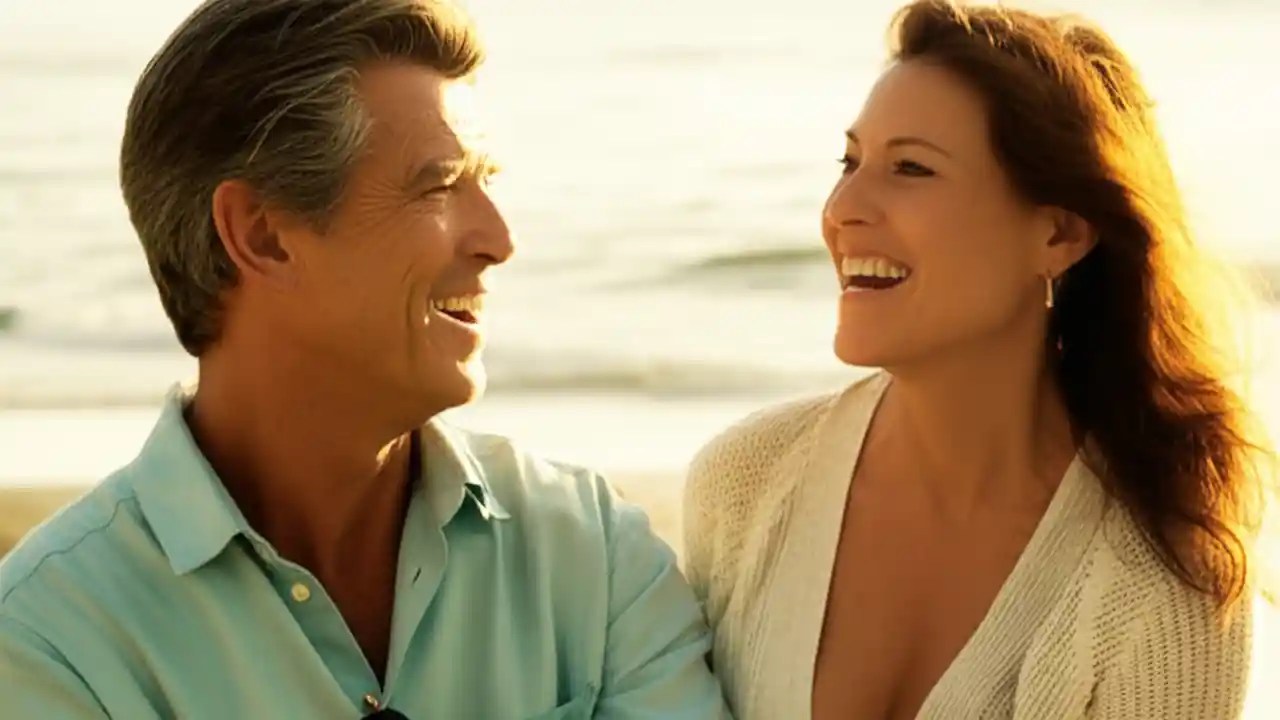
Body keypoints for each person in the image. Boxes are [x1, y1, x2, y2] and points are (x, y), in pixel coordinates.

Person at [0, 1, 729, 717]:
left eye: (488, 180)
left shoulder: (591, 555)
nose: (499, 238)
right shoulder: (50, 640)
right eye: (441, 184)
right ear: (263, 236)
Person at [683, 1, 1273, 718]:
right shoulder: (743, 485)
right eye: (850, 161)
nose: (843, 207)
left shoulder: (1160, 580)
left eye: (910, 168)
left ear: (1059, 233)